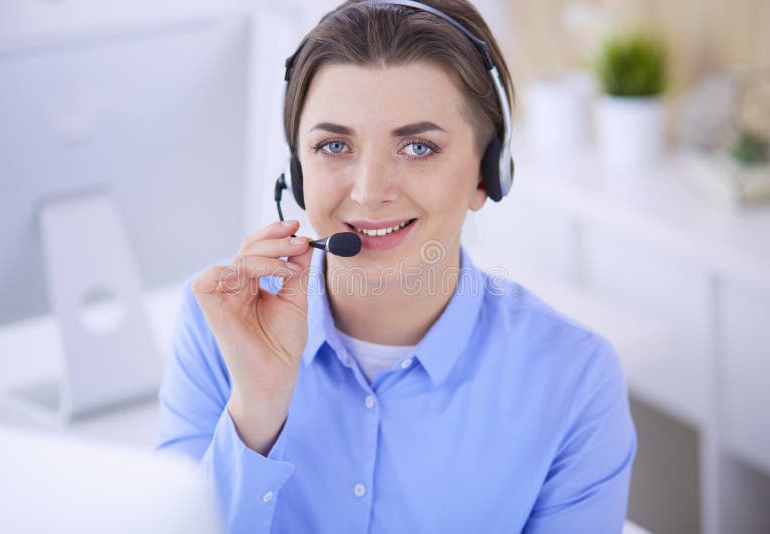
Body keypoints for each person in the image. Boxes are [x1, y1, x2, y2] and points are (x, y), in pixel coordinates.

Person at [156, 1, 637, 532]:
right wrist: (256, 411)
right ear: (296, 171)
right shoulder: (218, 322)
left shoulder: (574, 378)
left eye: (418, 146)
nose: (368, 191)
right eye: (334, 145)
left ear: (488, 174)